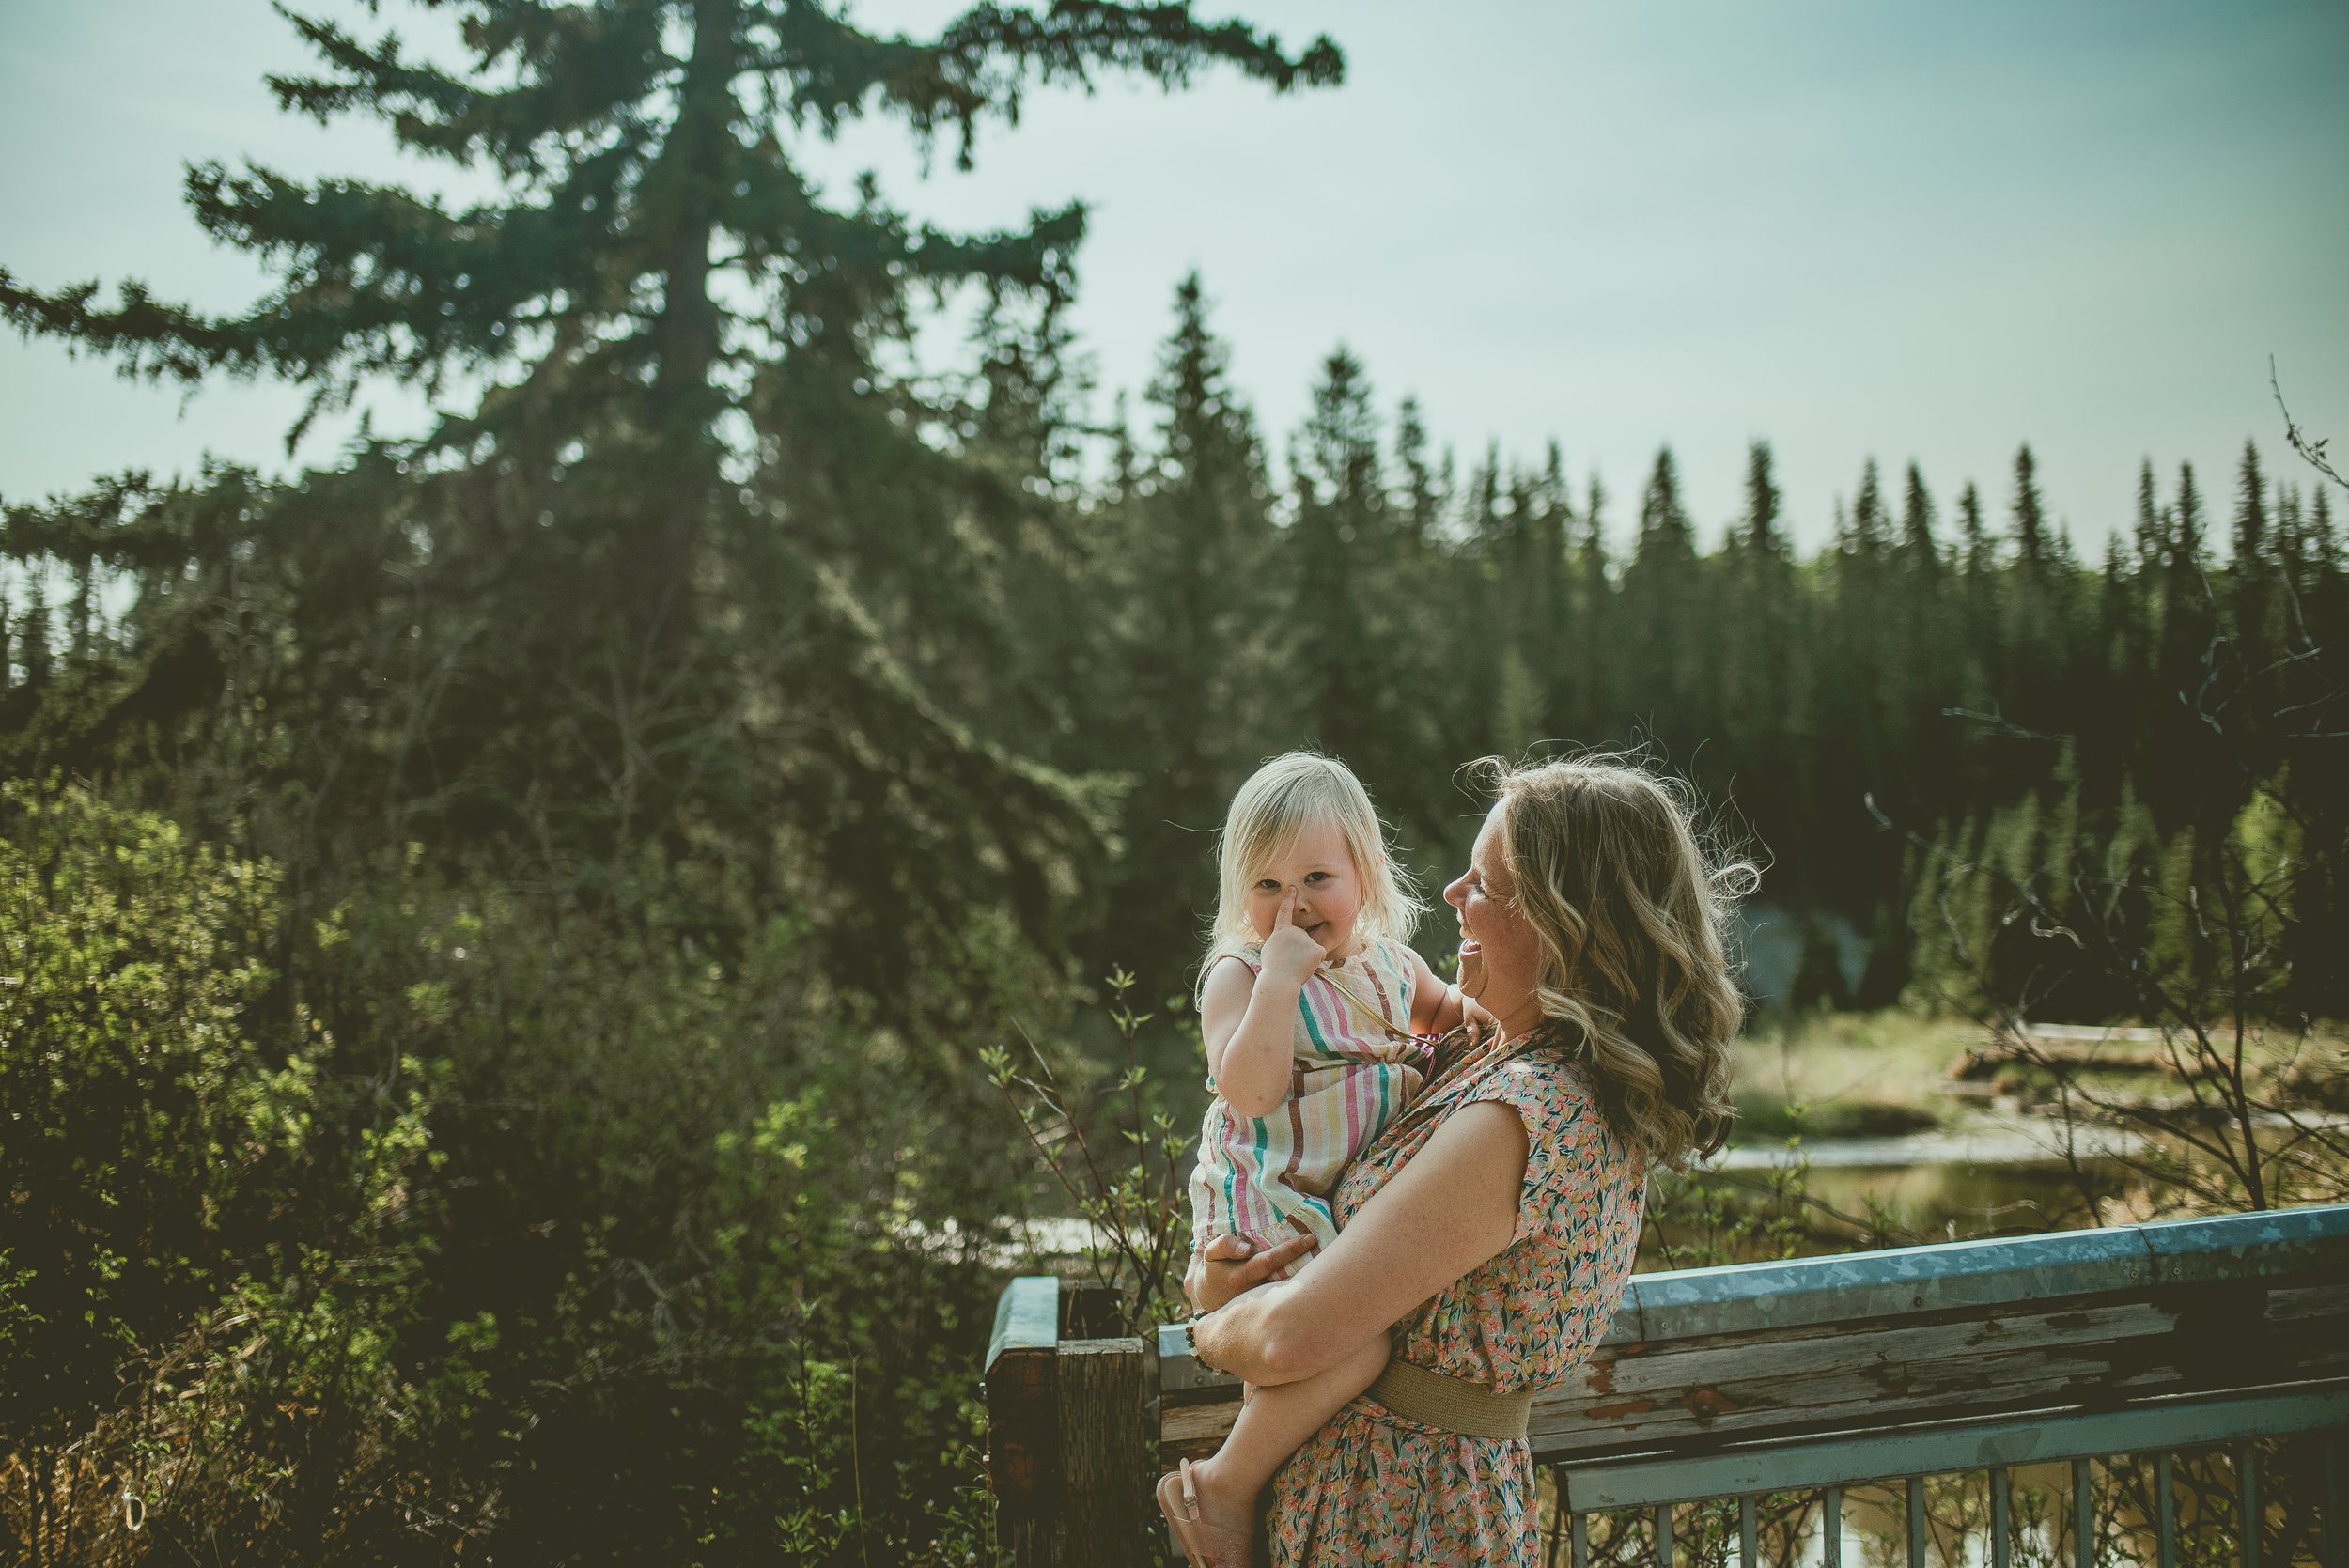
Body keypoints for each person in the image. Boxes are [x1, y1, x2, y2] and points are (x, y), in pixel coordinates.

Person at [1183, 754, 1750, 1566]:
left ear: (1561, 920)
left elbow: (1291, 1339)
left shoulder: (1528, 1113)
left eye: (1483, 882)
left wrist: (1208, 1324)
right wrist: (1220, 1273)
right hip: (1367, 1503)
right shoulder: (1483, 1063)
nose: (1451, 894)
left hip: (1405, 1518)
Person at [1158, 753, 1473, 1565]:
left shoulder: (1394, 970)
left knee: (1352, 1332)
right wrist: (1280, 985)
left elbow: (1466, 1017)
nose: (1291, 904)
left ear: (1364, 874)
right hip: (1273, 1194)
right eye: (1265, 886)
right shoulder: (1240, 974)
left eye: (1316, 877)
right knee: (1357, 1342)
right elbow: (1252, 1091)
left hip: (1338, 1201)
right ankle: (1226, 1484)